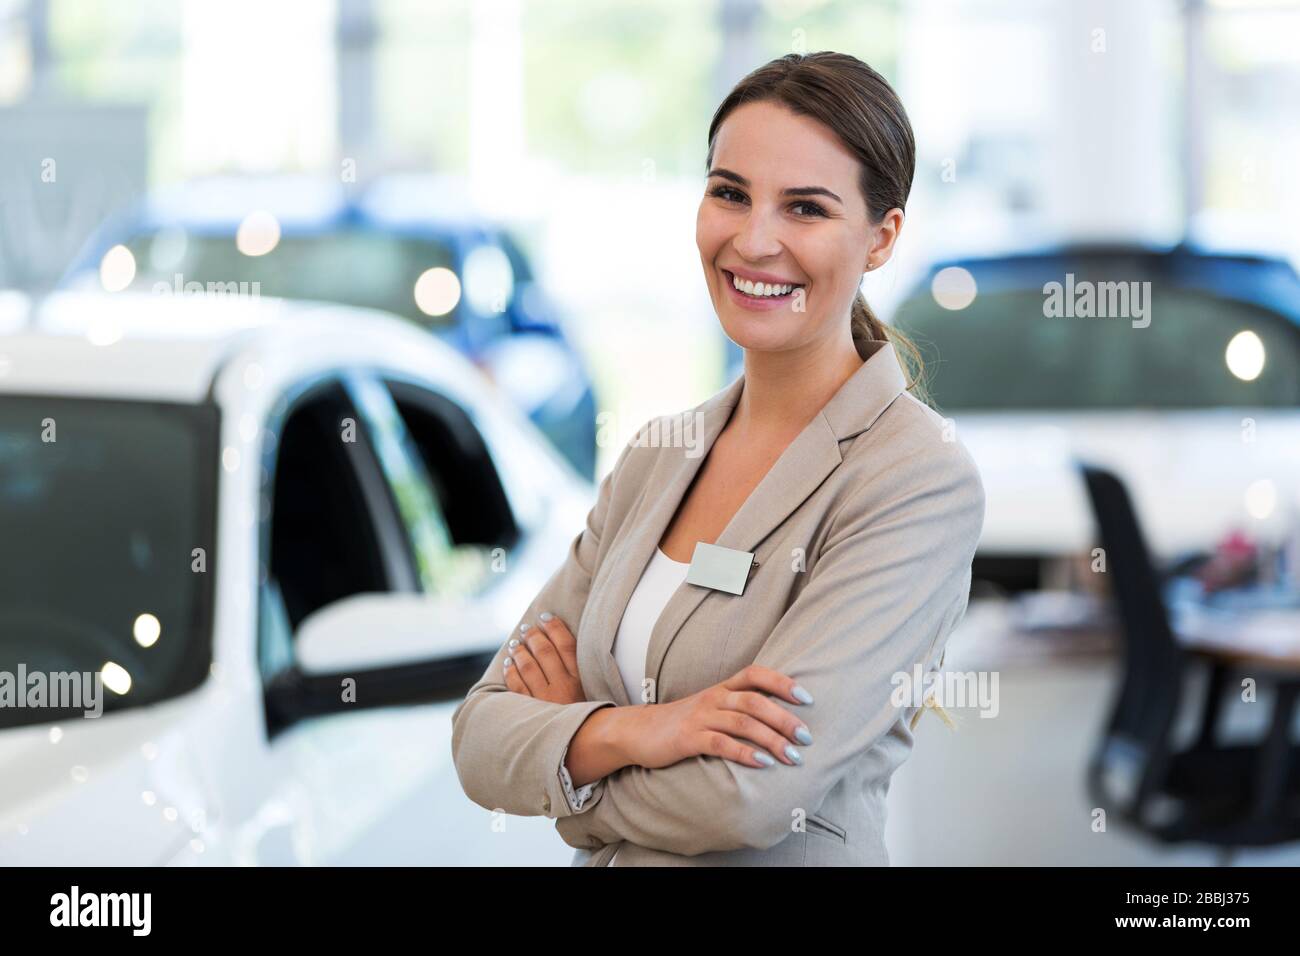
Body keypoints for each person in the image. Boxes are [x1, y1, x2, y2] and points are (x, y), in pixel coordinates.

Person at [451, 50, 985, 866]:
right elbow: (480, 736)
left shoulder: (914, 478)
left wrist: (571, 762)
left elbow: (744, 800)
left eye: (805, 208)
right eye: (730, 193)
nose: (754, 239)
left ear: (882, 238)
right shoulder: (655, 457)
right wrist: (643, 729)